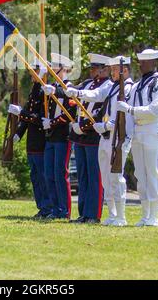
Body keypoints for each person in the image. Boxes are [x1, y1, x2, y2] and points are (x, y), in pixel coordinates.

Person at [68, 56, 134, 226]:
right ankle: (112, 214)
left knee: (116, 177)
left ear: (124, 70)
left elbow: (123, 116)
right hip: (106, 137)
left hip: (118, 137)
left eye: (114, 69)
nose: (111, 72)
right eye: (110, 69)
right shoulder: (112, 88)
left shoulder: (128, 89)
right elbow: (97, 95)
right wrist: (78, 93)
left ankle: (120, 216)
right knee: (106, 178)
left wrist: (106, 125)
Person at [116, 49, 158, 227]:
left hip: (153, 128)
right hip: (139, 130)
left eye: (145, 62)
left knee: (152, 171)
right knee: (140, 173)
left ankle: (154, 215)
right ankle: (145, 214)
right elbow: (128, 108)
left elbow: (155, 110)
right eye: (140, 61)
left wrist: (130, 110)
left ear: (154, 62)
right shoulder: (139, 84)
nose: (141, 65)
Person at [67, 53, 111, 224]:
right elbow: (72, 91)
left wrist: (77, 92)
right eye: (91, 68)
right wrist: (58, 89)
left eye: (95, 68)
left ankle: (93, 214)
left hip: (94, 136)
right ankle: (83, 213)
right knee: (83, 176)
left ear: (104, 69)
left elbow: (96, 97)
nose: (92, 71)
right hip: (80, 137)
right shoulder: (88, 83)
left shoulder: (108, 85)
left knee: (95, 177)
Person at [8, 60, 51, 219]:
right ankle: (41, 207)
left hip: (41, 140)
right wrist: (19, 132)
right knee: (35, 176)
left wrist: (21, 113)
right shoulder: (35, 89)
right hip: (32, 141)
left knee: (42, 176)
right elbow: (28, 113)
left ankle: (47, 207)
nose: (31, 73)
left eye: (34, 70)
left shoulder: (45, 91)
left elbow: (39, 118)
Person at [41, 53, 76, 220]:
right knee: (49, 174)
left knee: (60, 174)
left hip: (63, 136)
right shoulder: (53, 87)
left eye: (55, 67)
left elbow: (70, 113)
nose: (53, 70)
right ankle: (55, 209)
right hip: (51, 137)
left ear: (64, 69)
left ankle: (65, 210)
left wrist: (52, 123)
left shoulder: (70, 88)